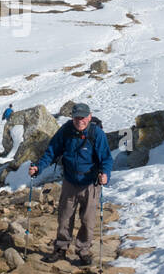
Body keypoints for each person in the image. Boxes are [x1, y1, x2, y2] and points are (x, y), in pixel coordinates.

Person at [28, 102, 112, 265]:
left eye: (82, 117)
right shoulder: (66, 131)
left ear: (89, 116)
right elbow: (51, 151)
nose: (79, 121)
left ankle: (83, 250)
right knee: (64, 217)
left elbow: (106, 159)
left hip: (90, 183)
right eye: (75, 118)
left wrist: (105, 175)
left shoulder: (97, 134)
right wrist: (38, 167)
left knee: (88, 221)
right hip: (69, 181)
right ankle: (60, 248)